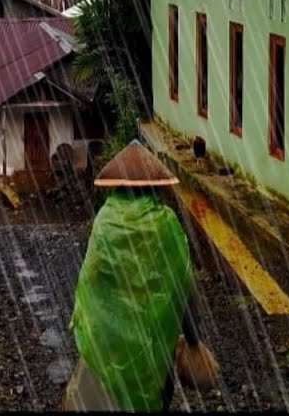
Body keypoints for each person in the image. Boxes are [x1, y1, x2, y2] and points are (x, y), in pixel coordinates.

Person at [63, 140, 218, 411]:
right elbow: (183, 286)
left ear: (118, 186)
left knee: (102, 400)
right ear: (156, 187)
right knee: (151, 397)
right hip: (153, 346)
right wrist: (193, 338)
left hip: (106, 342)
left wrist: (91, 320)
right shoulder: (166, 223)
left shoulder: (105, 222)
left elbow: (90, 282)